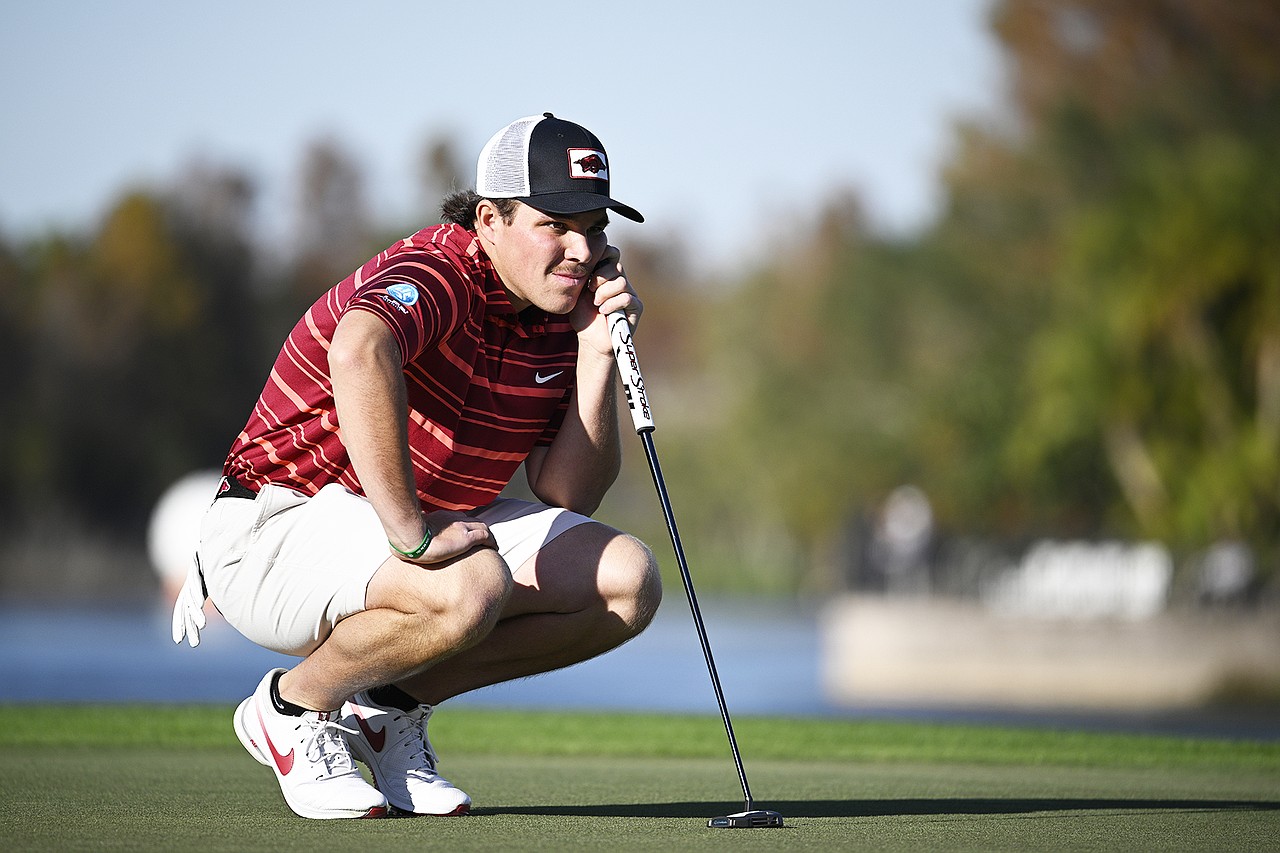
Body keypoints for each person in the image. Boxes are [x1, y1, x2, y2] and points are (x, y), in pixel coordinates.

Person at [171, 113, 663, 820]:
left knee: (626, 583)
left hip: (395, 542)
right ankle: (290, 706)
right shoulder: (438, 271)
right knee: (470, 584)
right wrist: (411, 532)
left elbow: (566, 493)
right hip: (272, 523)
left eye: (593, 228)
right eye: (555, 225)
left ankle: (387, 707)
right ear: (489, 219)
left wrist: (594, 353)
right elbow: (359, 349)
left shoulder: (562, 317)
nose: (581, 250)